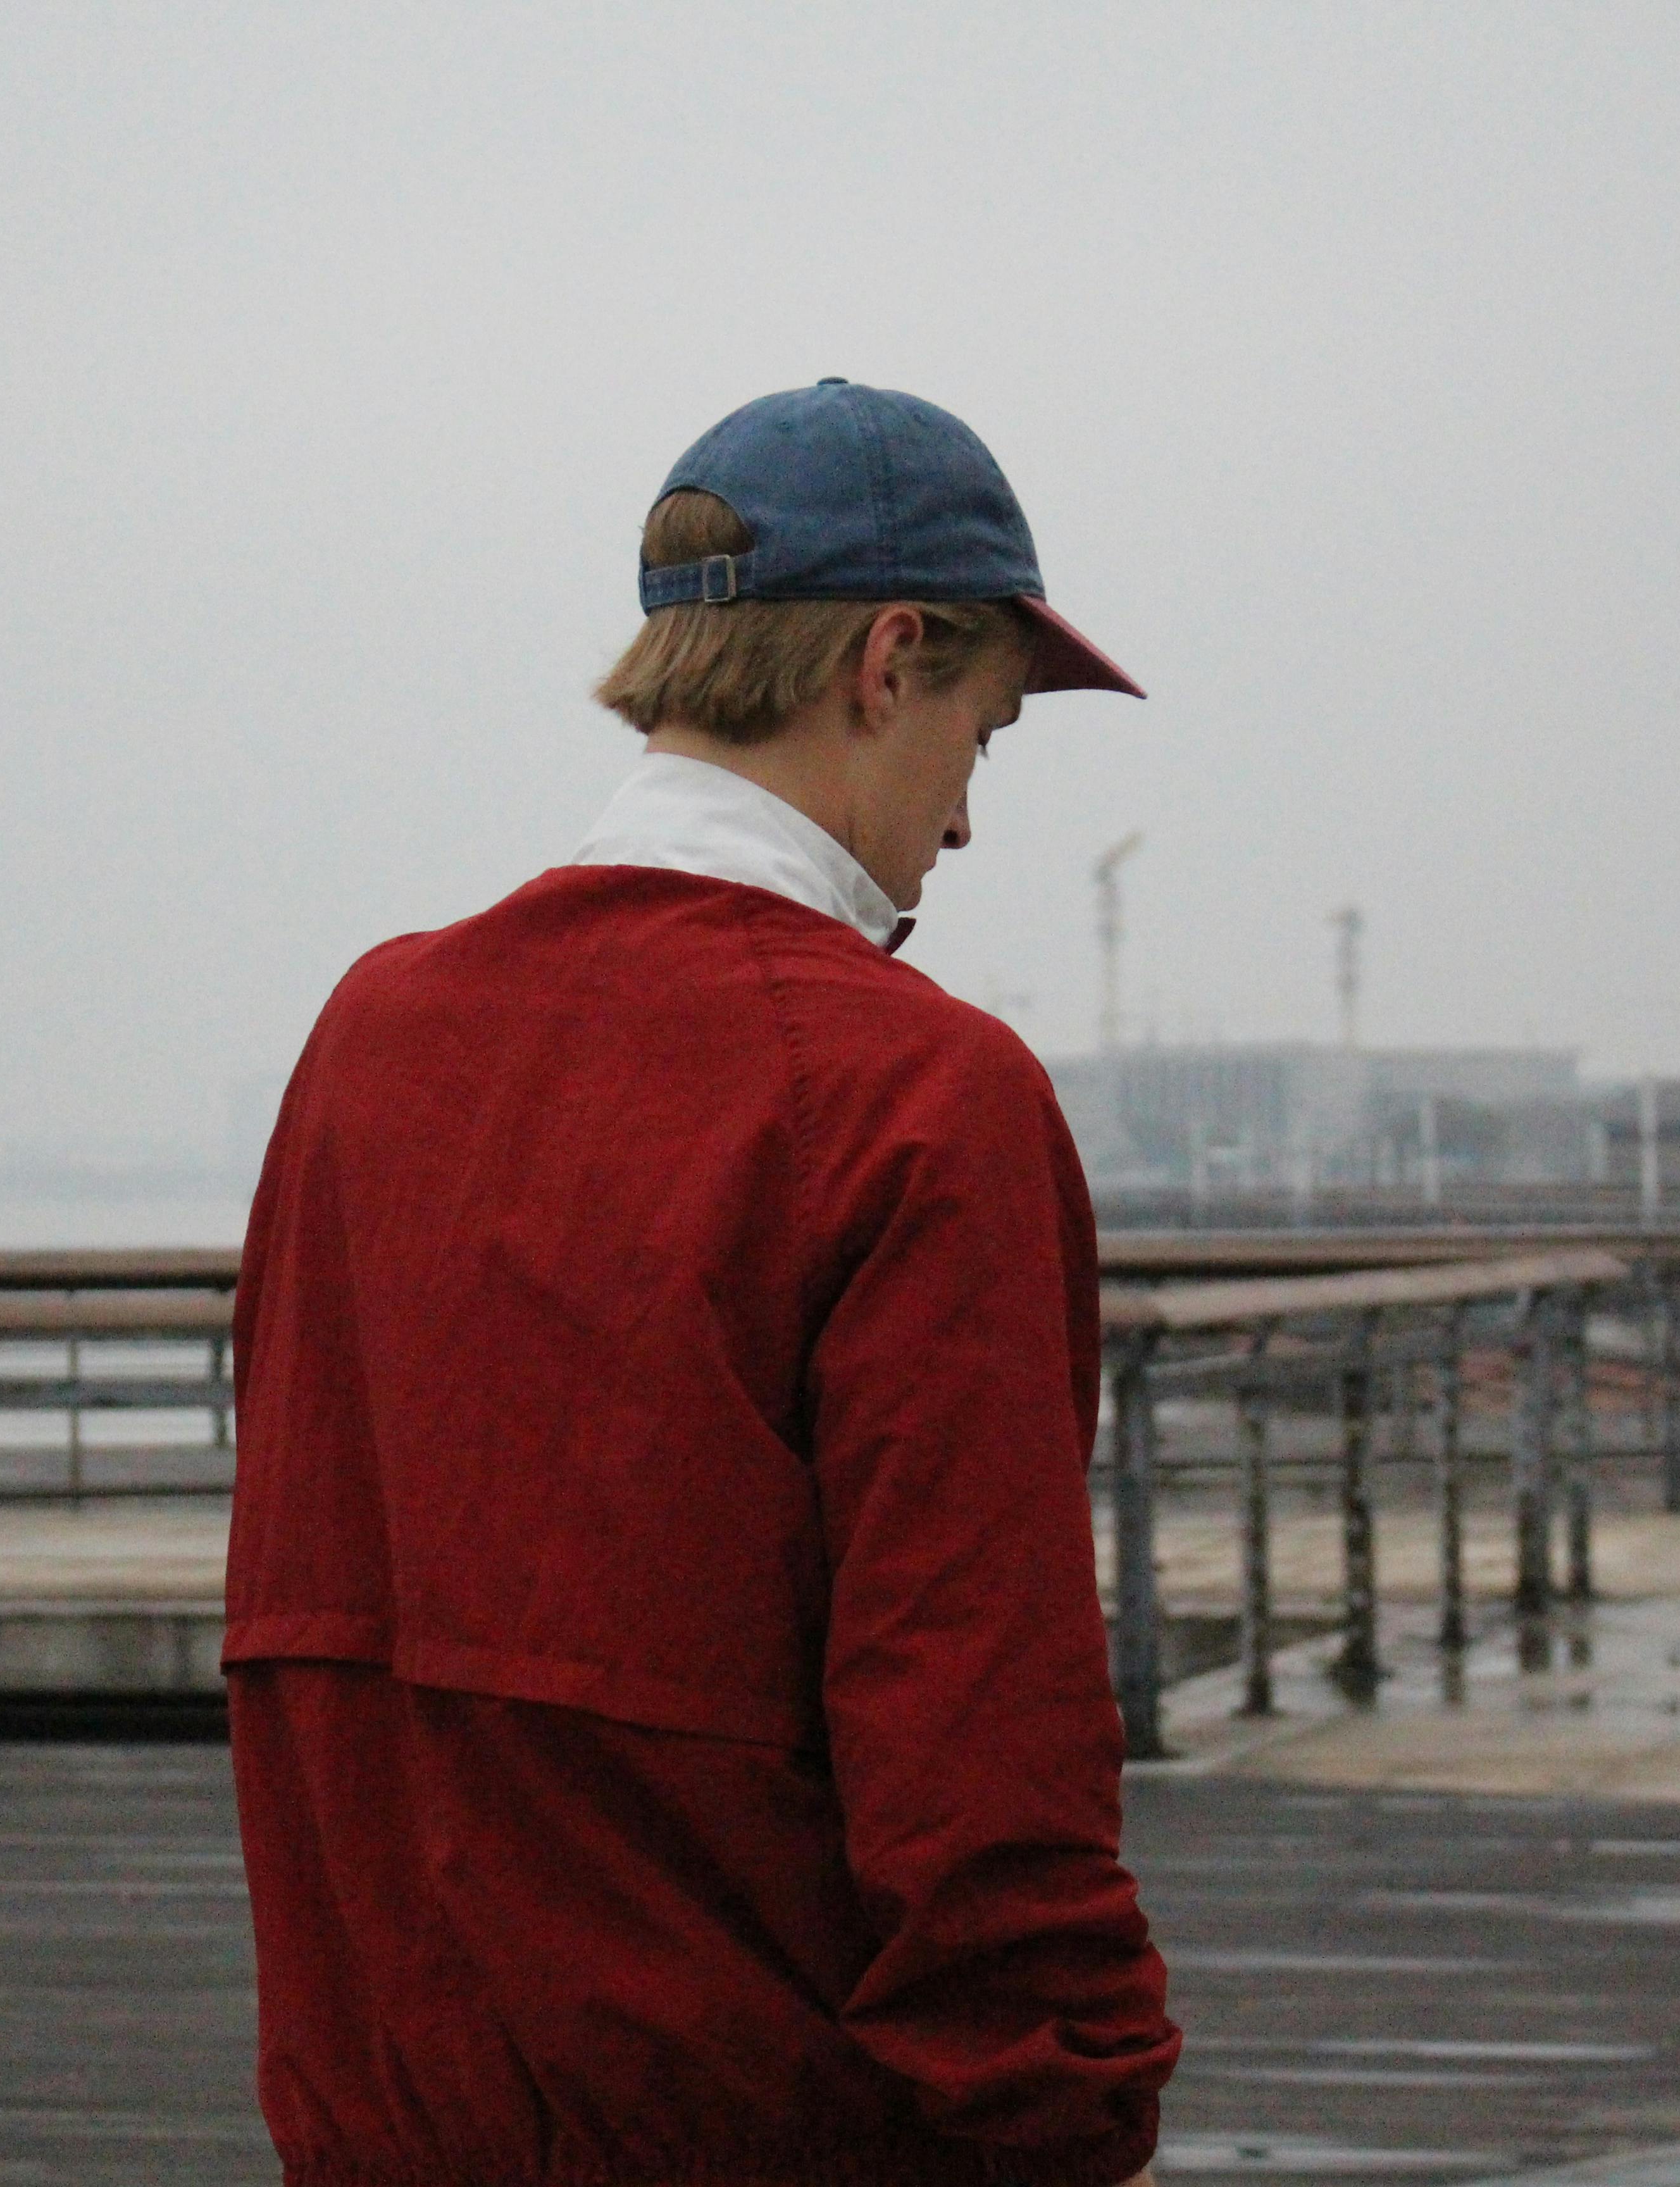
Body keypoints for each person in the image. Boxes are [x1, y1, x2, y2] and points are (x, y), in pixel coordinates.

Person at [224, 378, 1179, 2187]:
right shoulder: (917, 1096)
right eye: (985, 738)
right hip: (760, 2125)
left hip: (380, 2117)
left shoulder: (374, 1038)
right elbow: (981, 1740)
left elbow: (307, 1627)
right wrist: (1065, 2112)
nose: (965, 827)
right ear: (888, 660)